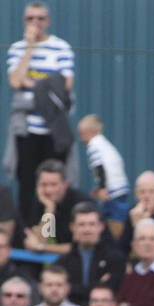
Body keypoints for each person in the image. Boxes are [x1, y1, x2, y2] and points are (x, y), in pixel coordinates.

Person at [6, 2, 74, 224]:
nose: (35, 23)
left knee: (54, 187)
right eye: (30, 19)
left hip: (53, 130)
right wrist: (29, 48)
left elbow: (64, 87)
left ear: (48, 21)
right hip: (27, 129)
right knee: (27, 184)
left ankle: (50, 234)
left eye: (40, 18)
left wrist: (32, 85)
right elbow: (15, 81)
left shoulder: (61, 48)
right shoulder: (16, 48)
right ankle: (28, 234)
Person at [58, 200, 125, 306]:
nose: (87, 230)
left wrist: (73, 288)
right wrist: (98, 285)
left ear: (101, 227)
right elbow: (60, 292)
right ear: (72, 227)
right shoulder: (63, 262)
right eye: (81, 225)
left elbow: (112, 291)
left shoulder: (115, 259)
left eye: (92, 224)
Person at [20, 158, 86, 256]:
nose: (48, 190)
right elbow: (40, 240)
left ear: (65, 184)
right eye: (44, 184)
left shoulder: (81, 202)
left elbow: (81, 246)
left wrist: (42, 248)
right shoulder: (39, 201)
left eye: (53, 184)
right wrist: (49, 210)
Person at [76, 114, 129, 235]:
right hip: (120, 186)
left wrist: (102, 188)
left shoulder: (93, 146)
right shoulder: (104, 144)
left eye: (82, 134)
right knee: (102, 213)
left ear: (91, 132)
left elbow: (99, 168)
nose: (81, 138)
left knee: (113, 217)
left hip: (113, 190)